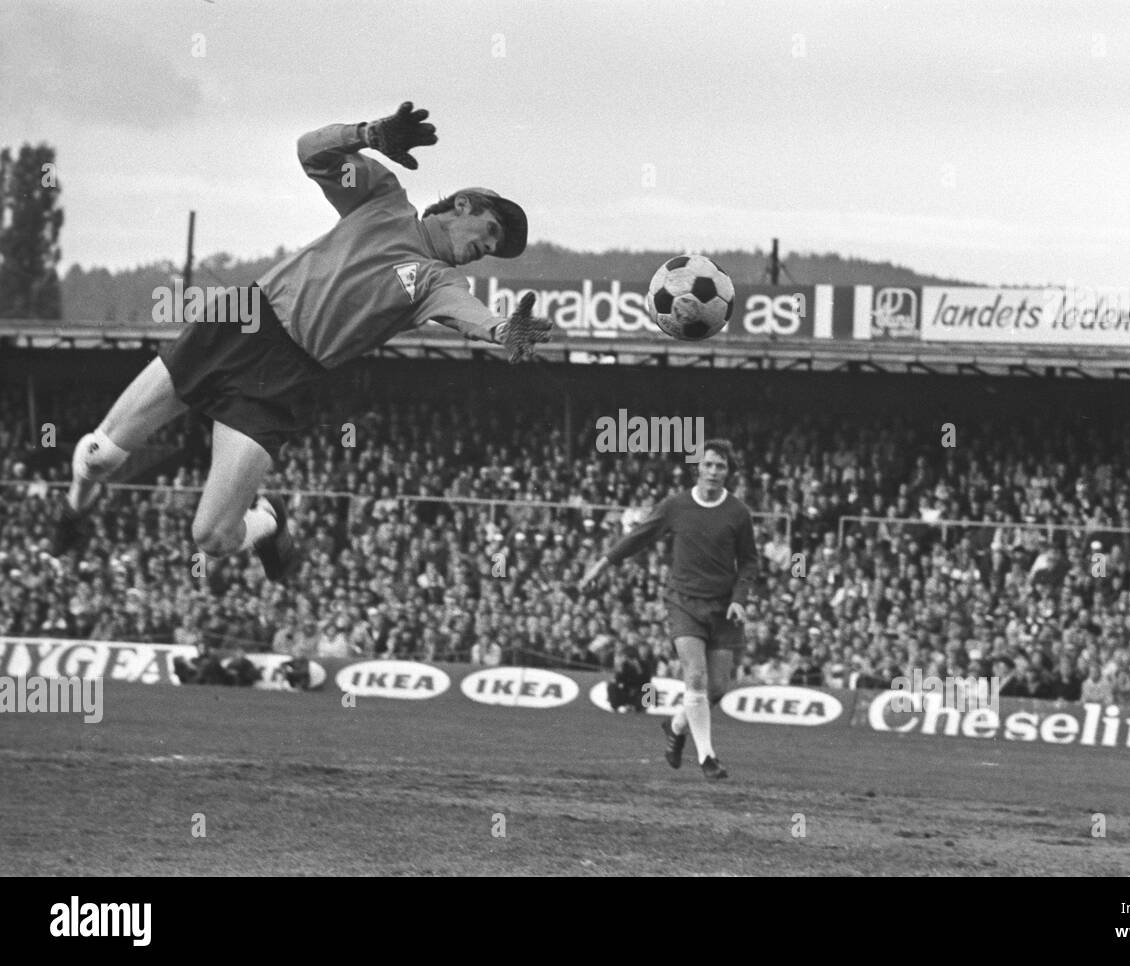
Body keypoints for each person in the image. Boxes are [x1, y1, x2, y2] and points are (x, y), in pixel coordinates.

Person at [53, 102, 552, 584]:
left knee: (211, 537)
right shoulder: (383, 200)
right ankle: (73, 512)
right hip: (239, 322)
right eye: (489, 231)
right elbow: (312, 152)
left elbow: (472, 316)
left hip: (282, 375)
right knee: (100, 457)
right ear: (463, 204)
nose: (485, 249)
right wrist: (369, 134)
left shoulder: (437, 283)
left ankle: (267, 522)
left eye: (492, 249)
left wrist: (504, 330)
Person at [579, 440, 758, 780]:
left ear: (728, 472)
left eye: (721, 467)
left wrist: (739, 598)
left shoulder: (738, 513)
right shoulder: (676, 506)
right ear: (698, 468)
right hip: (684, 602)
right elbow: (639, 536)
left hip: (723, 609)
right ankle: (707, 758)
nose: (714, 472)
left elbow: (749, 561)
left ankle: (675, 728)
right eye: (708, 465)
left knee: (718, 688)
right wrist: (601, 566)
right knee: (695, 677)